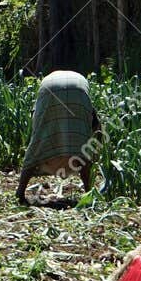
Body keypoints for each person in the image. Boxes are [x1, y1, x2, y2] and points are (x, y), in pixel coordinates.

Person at [16, 70, 101, 205]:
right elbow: (95, 122)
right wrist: (93, 145)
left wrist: (36, 137)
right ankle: (88, 192)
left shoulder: (46, 84)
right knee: (83, 152)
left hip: (50, 89)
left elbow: (35, 120)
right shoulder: (81, 83)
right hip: (77, 92)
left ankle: (20, 193)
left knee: (36, 146)